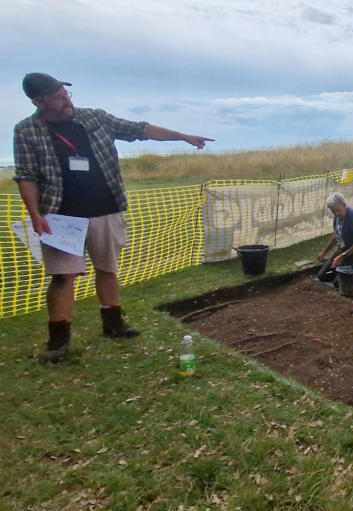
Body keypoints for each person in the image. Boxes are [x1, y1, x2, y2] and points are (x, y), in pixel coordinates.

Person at [13, 72, 214, 363]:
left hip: (106, 208)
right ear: (38, 101)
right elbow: (26, 176)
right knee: (62, 277)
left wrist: (183, 136)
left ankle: (114, 324)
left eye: (66, 94)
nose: (66, 100)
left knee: (108, 268)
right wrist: (35, 214)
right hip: (60, 215)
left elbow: (139, 129)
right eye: (58, 98)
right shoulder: (26, 130)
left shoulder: (94, 118)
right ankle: (58, 342)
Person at [316, 192, 353, 282]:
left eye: (338, 210)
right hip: (342, 249)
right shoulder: (337, 216)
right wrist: (324, 252)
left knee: (339, 282)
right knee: (322, 276)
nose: (336, 213)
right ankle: (340, 269)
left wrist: (342, 256)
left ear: (344, 205)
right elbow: (337, 235)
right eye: (333, 211)